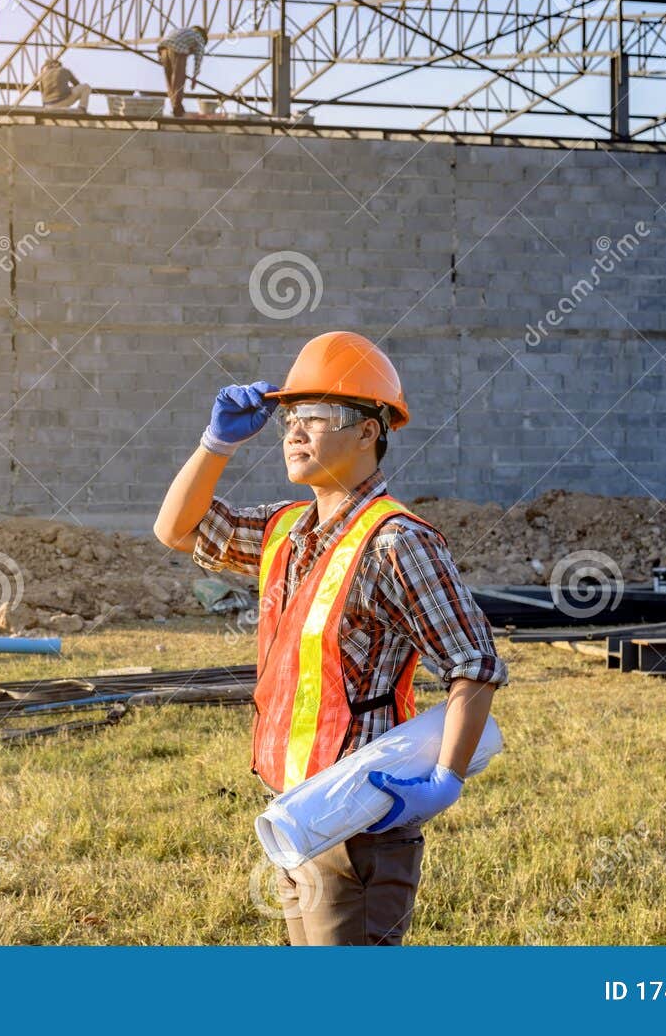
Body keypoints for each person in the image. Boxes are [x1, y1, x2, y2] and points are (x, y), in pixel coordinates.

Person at [152, 331, 507, 946]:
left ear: (369, 430)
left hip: (360, 822)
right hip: (296, 813)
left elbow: (473, 661)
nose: (292, 432)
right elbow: (177, 529)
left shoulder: (398, 542)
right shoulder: (286, 529)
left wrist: (444, 781)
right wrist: (215, 446)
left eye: (313, 417)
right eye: (288, 418)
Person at [157, 24, 208, 117]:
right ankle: (177, 108)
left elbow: (167, 40)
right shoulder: (199, 37)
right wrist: (194, 77)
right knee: (179, 79)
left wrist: (160, 58)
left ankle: (175, 106)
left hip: (163, 49)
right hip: (177, 49)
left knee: (170, 81)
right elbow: (199, 57)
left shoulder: (183, 30)